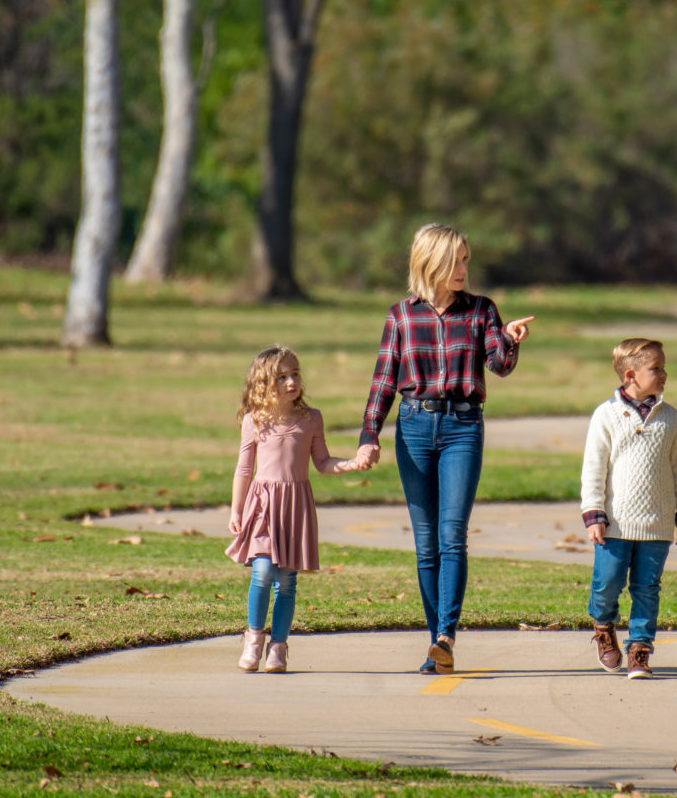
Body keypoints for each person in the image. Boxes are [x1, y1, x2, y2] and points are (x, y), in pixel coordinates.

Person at [353, 223, 534, 675]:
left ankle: (446, 634)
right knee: (425, 544)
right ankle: (439, 644)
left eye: (466, 259)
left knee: (452, 535)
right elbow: (383, 381)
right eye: (456, 260)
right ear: (431, 261)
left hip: (462, 427)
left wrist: (509, 339)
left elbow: (499, 365)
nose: (463, 269)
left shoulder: (481, 311)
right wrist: (368, 434)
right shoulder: (401, 315)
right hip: (413, 428)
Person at [227, 345, 367, 673]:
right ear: (263, 384)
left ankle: (278, 647)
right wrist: (236, 510)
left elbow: (322, 462)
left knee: (287, 582)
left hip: (295, 506)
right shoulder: (254, 421)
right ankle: (253, 637)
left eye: (295, 375)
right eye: (282, 377)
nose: (292, 382)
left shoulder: (311, 419)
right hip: (262, 506)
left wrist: (351, 464)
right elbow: (244, 469)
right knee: (262, 573)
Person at [580, 337, 677, 679]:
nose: (663, 374)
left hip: (657, 524)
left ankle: (640, 650)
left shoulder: (670, 418)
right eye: (655, 368)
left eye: (663, 367)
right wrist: (593, 513)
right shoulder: (607, 415)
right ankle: (603, 626)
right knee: (607, 583)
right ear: (631, 374)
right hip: (614, 524)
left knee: (647, 587)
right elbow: (593, 468)